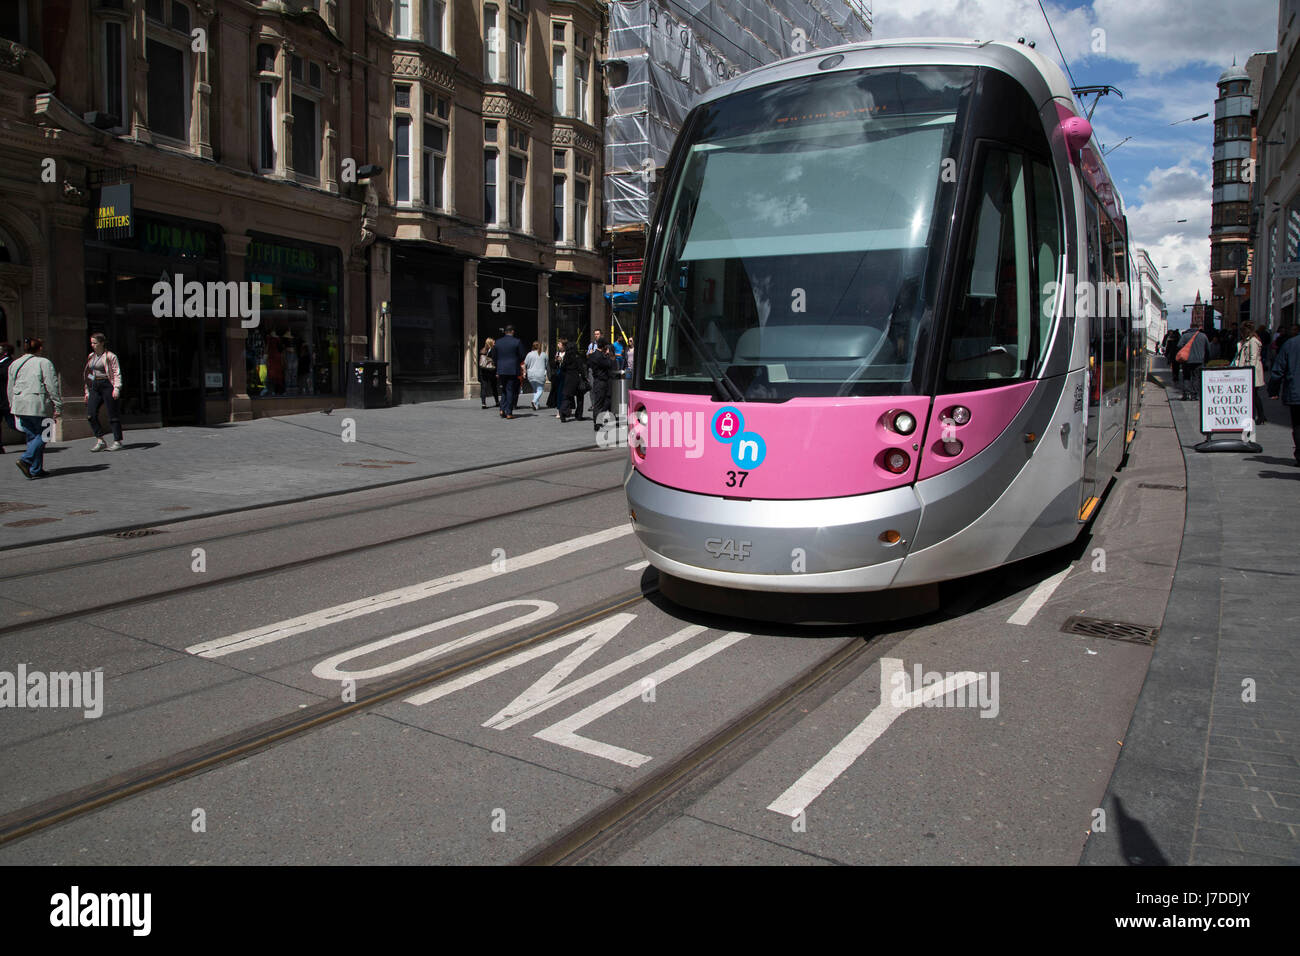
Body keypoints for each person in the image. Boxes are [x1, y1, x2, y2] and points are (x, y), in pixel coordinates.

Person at [7, 337, 62, 479]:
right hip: (39, 405)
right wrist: (58, 404)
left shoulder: (15, 364)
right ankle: (26, 460)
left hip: (20, 405)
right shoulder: (44, 362)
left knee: (32, 437)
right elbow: (51, 385)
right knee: (46, 435)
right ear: (40, 348)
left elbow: (10, 387)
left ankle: (36, 469)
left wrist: (12, 404)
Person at [84, 332, 124, 451]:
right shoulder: (91, 356)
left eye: (95, 343)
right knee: (91, 414)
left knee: (112, 414)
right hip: (95, 386)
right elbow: (88, 374)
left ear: (101, 343)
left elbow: (117, 372)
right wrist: (87, 391)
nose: (92, 345)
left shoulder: (110, 356)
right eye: (91, 343)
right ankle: (100, 440)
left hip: (107, 384)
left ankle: (117, 441)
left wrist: (116, 388)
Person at [1268, 327, 1300, 465]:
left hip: (1296, 391)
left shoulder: (1290, 344)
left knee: (1298, 425)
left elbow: (1278, 369)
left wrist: (1273, 390)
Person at [1233, 321, 1266, 425]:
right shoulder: (1247, 340)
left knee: (1254, 395)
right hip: (1249, 370)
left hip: (1252, 372)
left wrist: (1248, 373)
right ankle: (1260, 416)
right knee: (1253, 395)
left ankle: (1258, 416)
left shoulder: (1253, 341)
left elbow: (1253, 358)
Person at [491, 324, 526, 419]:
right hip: (512, 369)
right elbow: (522, 355)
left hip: (501, 369)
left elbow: (494, 356)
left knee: (504, 390)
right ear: (512, 332)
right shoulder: (517, 341)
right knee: (510, 390)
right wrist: (516, 361)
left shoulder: (498, 342)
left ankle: (502, 409)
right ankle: (509, 412)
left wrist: (499, 364)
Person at [588, 340, 618, 433]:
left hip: (597, 380)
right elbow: (608, 364)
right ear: (604, 347)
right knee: (600, 403)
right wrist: (608, 357)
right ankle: (597, 422)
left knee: (598, 402)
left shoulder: (592, 355)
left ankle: (597, 422)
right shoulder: (600, 356)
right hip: (602, 381)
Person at [1176, 323, 1209, 401]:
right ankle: (1194, 395)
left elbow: (1179, 345)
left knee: (1186, 377)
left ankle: (1186, 394)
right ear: (1198, 328)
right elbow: (1207, 348)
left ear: (1190, 327)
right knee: (1196, 378)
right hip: (1199, 361)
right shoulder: (1203, 336)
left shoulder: (1185, 336)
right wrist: (1206, 359)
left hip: (1186, 360)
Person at [559, 341, 588, 422]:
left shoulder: (566, 356)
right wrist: (584, 377)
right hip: (577, 378)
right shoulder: (577, 356)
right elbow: (581, 368)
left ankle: (563, 412)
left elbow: (563, 368)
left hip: (568, 378)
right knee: (580, 398)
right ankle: (578, 415)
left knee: (567, 397)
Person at [524, 340, 548, 411]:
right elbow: (546, 365)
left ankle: (536, 405)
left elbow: (525, 364)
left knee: (535, 390)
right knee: (540, 390)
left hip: (531, 375)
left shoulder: (529, 354)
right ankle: (534, 401)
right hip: (540, 374)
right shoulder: (544, 355)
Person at [478, 337, 498, 409]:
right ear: (491, 342)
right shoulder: (493, 350)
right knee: (494, 387)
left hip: (483, 371)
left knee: (484, 387)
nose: (494, 342)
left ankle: (483, 403)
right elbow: (495, 360)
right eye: (493, 341)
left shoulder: (483, 350)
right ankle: (497, 401)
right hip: (491, 371)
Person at [0, 342, 12, 454]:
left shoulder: (10, 364)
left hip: (6, 399)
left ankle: (33, 439)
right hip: (1, 399)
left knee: (13, 423)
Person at [547, 339, 565, 413]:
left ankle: (566, 408)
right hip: (558, 374)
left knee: (565, 392)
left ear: (563, 345)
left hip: (565, 374)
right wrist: (556, 360)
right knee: (558, 392)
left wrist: (562, 360)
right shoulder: (557, 353)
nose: (558, 345)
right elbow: (554, 365)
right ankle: (558, 410)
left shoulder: (567, 353)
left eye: (559, 344)